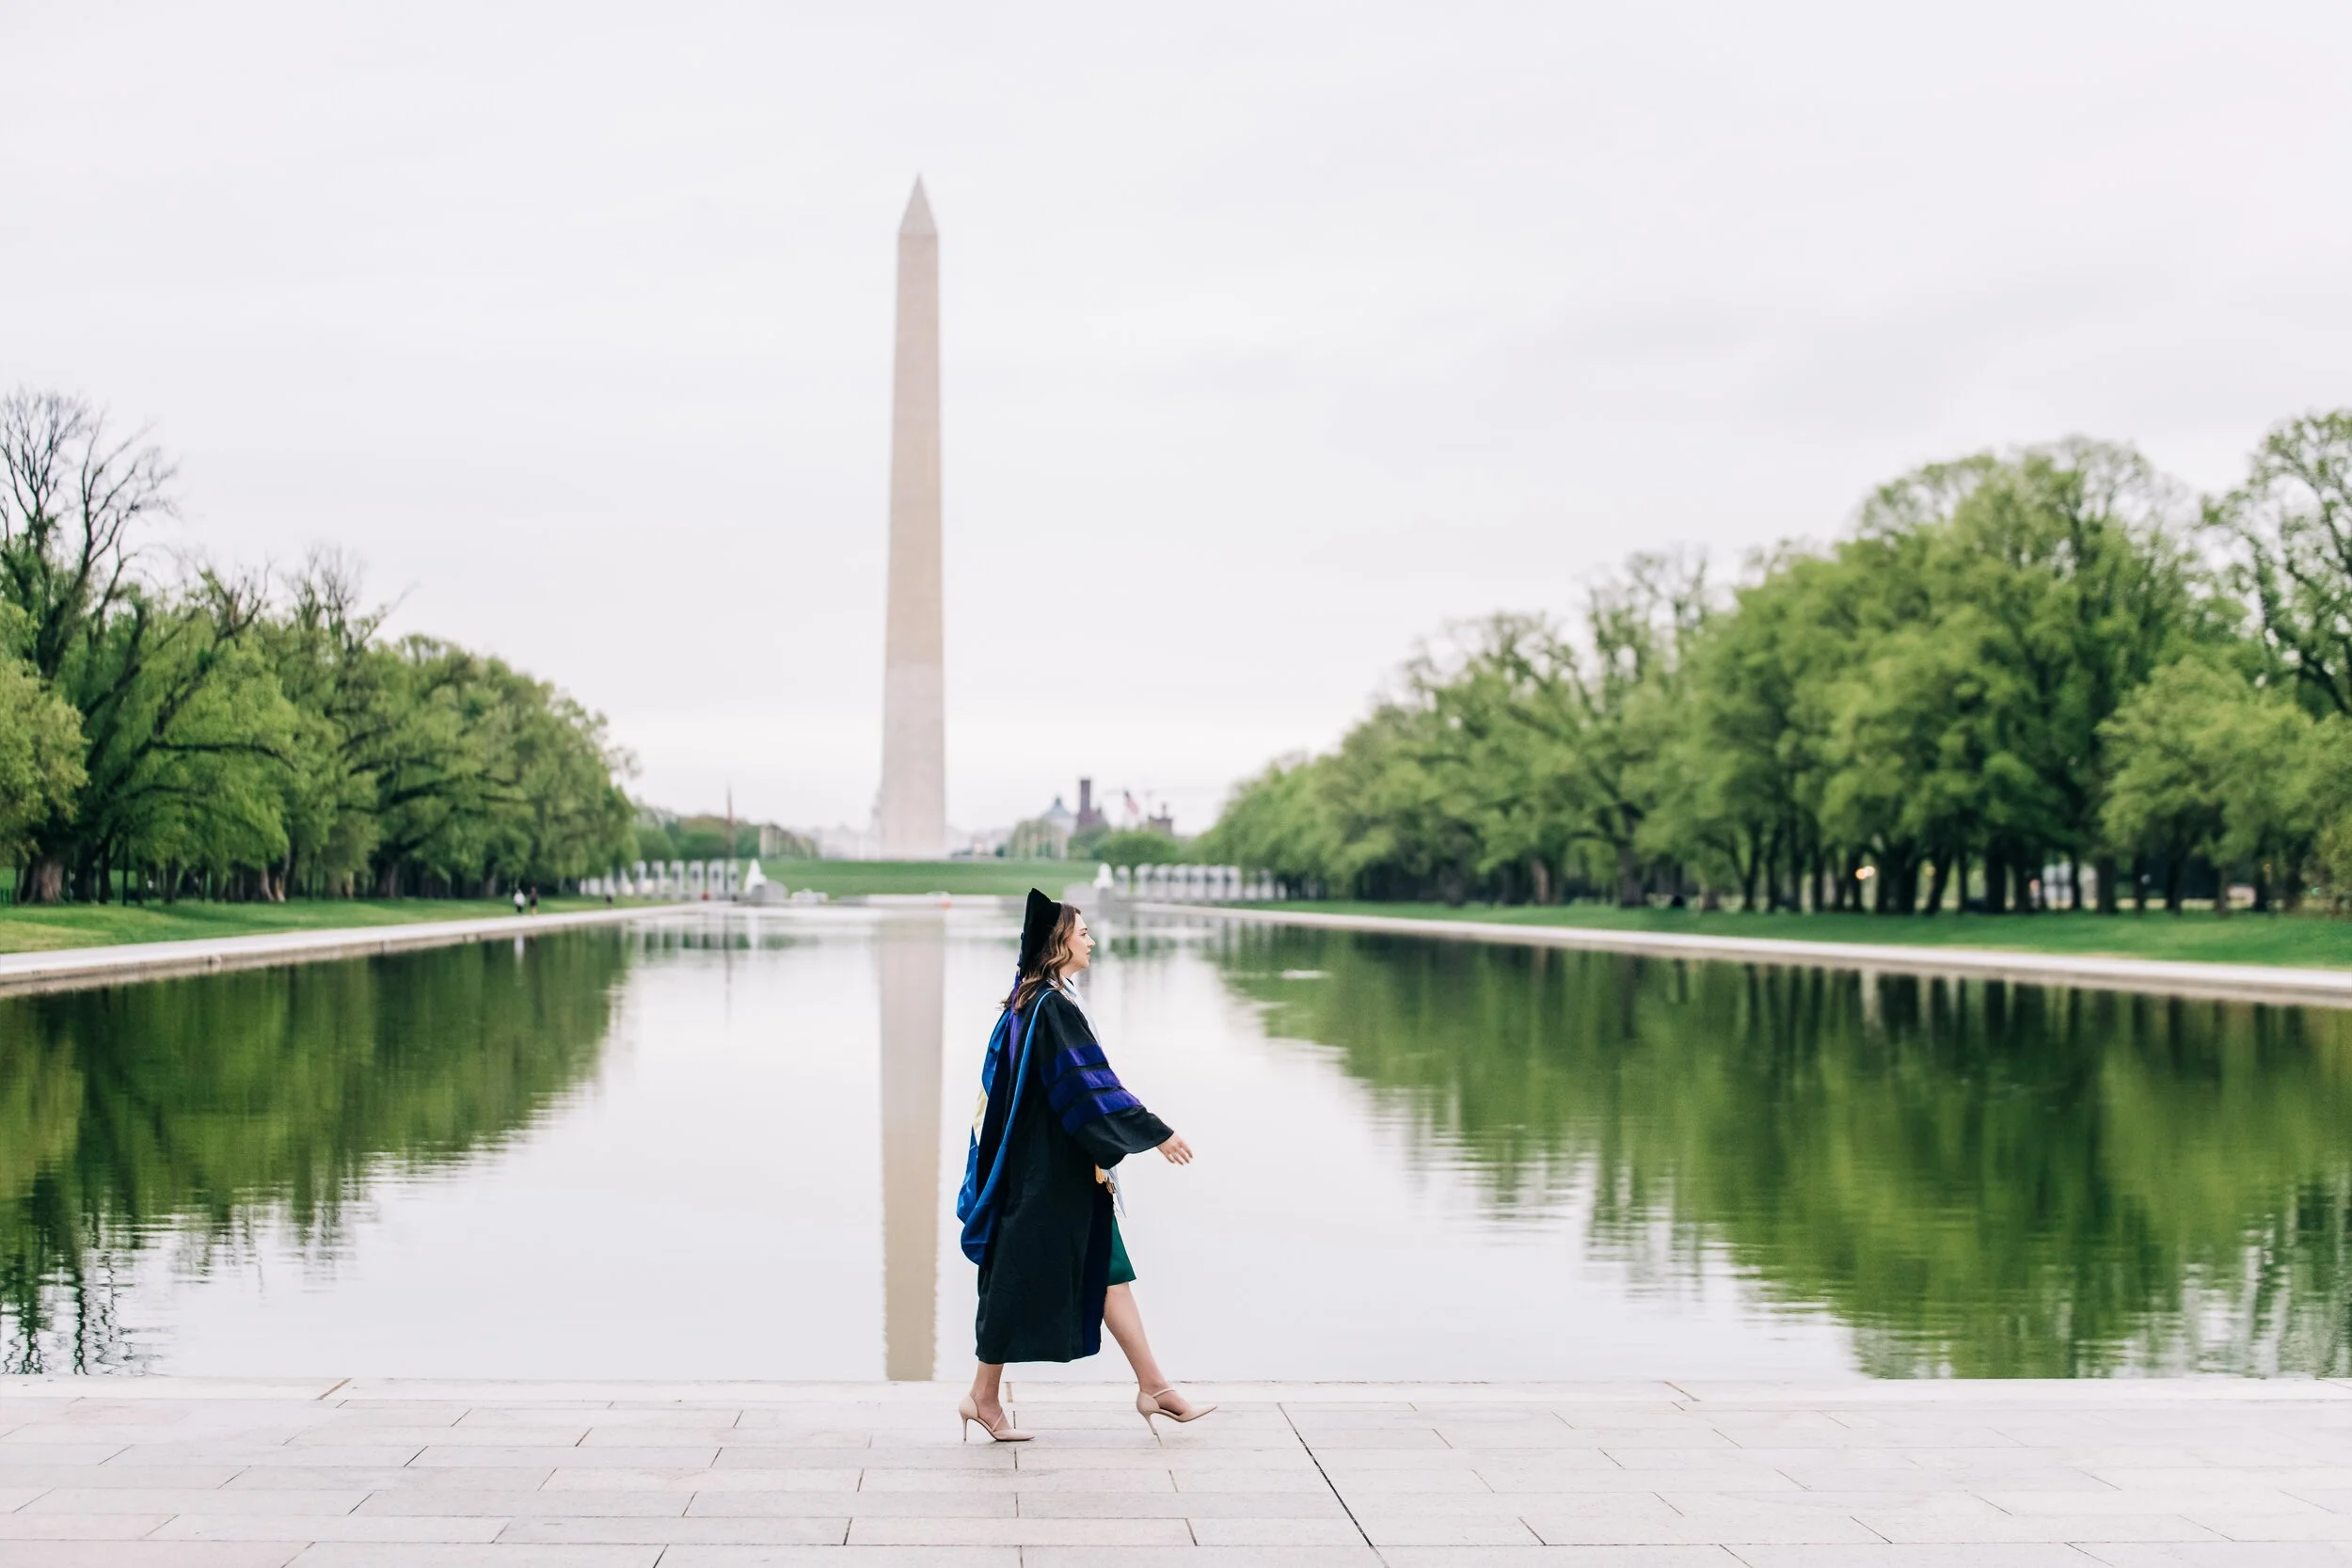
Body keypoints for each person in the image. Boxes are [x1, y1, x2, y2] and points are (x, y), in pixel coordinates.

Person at [954, 889, 1213, 1442]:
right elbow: (1088, 1086)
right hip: (1047, 1177)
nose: (1091, 941)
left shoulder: (1029, 1001)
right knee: (1011, 1279)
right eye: (1083, 933)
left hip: (1048, 1169)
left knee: (1107, 1271)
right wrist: (1154, 1131)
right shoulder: (1050, 1006)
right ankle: (982, 1396)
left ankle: (1154, 1387)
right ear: (1059, 942)